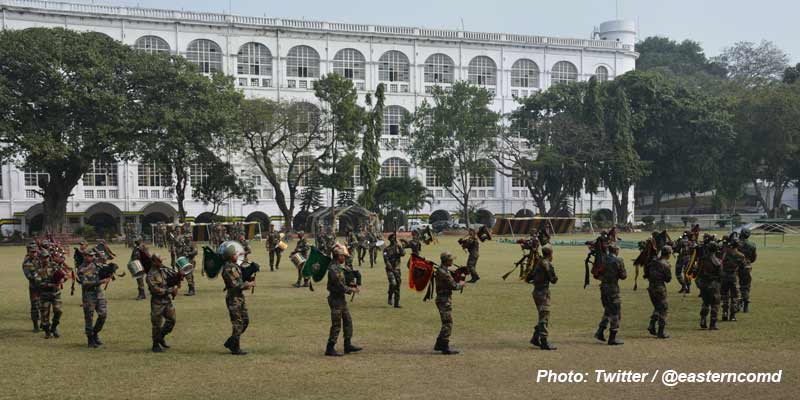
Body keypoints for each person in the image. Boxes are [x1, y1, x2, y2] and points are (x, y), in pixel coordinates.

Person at [325, 246, 361, 356]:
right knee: (336, 325)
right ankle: (330, 348)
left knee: (348, 322)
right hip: (336, 300)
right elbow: (340, 286)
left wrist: (350, 284)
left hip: (341, 299)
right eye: (342, 256)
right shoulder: (334, 269)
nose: (344, 258)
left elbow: (342, 282)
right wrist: (352, 289)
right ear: (337, 256)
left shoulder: (338, 267)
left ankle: (347, 345)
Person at [221, 244, 253, 355]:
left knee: (245, 321)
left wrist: (250, 272)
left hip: (239, 297)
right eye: (234, 254)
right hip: (233, 298)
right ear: (230, 256)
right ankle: (235, 347)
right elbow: (235, 285)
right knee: (238, 323)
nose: (236, 255)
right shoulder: (228, 268)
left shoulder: (234, 265)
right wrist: (247, 285)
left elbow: (240, 278)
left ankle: (231, 341)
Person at [525, 245, 558, 350]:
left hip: (536, 291)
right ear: (550, 254)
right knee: (544, 316)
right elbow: (553, 280)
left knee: (542, 315)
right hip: (543, 292)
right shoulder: (547, 264)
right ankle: (544, 342)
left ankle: (535, 338)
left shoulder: (538, 262)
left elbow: (529, 276)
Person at [594, 245, 627, 345]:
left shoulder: (602, 260)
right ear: (616, 250)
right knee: (616, 313)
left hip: (603, 288)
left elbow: (596, 274)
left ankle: (600, 331)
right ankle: (612, 338)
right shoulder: (618, 261)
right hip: (613, 289)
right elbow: (623, 276)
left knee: (608, 310)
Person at [77, 250, 110, 348]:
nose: (91, 257)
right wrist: (100, 282)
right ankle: (90, 339)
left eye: (92, 256)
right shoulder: (81, 269)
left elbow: (105, 261)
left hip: (99, 294)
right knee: (89, 318)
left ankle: (95, 333)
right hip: (89, 295)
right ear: (84, 256)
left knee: (103, 315)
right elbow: (85, 283)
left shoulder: (96, 265)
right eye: (89, 256)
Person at [434, 251, 465, 355]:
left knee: (446, 323)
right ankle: (444, 347)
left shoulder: (442, 270)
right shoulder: (443, 272)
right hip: (444, 300)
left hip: (443, 299)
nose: (452, 261)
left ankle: (439, 344)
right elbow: (454, 286)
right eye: (451, 260)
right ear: (446, 260)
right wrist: (461, 284)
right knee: (448, 323)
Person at [147, 254, 177, 352]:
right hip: (157, 302)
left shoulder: (163, 270)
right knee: (156, 324)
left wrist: (177, 279)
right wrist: (170, 291)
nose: (161, 263)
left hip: (167, 300)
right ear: (154, 262)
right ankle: (155, 345)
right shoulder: (150, 275)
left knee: (172, 320)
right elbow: (156, 290)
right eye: (159, 261)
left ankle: (161, 337)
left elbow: (170, 280)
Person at [34, 250, 64, 339]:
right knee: (44, 315)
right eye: (43, 257)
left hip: (55, 293)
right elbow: (38, 282)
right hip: (44, 294)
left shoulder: (54, 265)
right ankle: (47, 332)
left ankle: (54, 328)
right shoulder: (37, 268)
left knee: (58, 311)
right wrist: (51, 284)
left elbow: (62, 275)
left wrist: (62, 280)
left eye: (47, 257)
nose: (45, 259)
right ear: (40, 258)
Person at [645, 246, 672, 339]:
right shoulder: (666, 264)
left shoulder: (653, 262)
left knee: (657, 307)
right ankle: (661, 332)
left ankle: (652, 325)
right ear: (668, 254)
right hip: (660, 288)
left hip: (651, 287)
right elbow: (668, 279)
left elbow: (646, 273)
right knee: (663, 309)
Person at [697, 241, 722, 330]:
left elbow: (698, 271)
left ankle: (703, 320)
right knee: (715, 304)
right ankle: (712, 324)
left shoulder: (702, 259)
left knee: (705, 303)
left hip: (703, 283)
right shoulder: (718, 262)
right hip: (713, 284)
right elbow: (720, 275)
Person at [720, 240, 743, 322]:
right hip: (733, 276)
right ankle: (732, 315)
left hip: (724, 276)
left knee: (725, 296)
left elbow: (721, 262)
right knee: (734, 297)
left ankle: (724, 313)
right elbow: (742, 267)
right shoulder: (740, 255)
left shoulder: (725, 253)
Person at [22, 242, 41, 333]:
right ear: (28, 252)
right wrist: (40, 277)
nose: (34, 253)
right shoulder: (26, 263)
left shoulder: (41, 259)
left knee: (44, 306)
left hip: (43, 287)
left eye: (35, 252)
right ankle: (35, 326)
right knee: (34, 306)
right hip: (34, 288)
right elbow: (29, 276)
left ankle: (44, 324)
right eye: (32, 252)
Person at [382, 233, 405, 308]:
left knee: (397, 285)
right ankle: (390, 295)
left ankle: (396, 303)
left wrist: (400, 247)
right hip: (390, 269)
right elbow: (386, 260)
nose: (394, 240)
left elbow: (403, 254)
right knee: (393, 283)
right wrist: (390, 267)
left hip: (397, 269)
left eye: (395, 239)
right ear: (390, 240)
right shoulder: (386, 249)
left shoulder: (398, 247)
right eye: (392, 239)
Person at [738, 228, 757, 313]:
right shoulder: (752, 245)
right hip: (746, 267)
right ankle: (746, 306)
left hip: (735, 267)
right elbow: (753, 258)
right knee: (746, 286)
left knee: (735, 286)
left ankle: (736, 304)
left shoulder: (736, 244)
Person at [176, 232, 198, 296]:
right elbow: (179, 252)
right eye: (185, 237)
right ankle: (191, 289)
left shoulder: (193, 244)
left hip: (191, 261)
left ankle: (191, 290)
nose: (187, 238)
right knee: (185, 275)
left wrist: (189, 253)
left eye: (188, 237)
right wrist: (179, 247)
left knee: (189, 275)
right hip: (184, 262)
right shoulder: (183, 244)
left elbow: (195, 251)